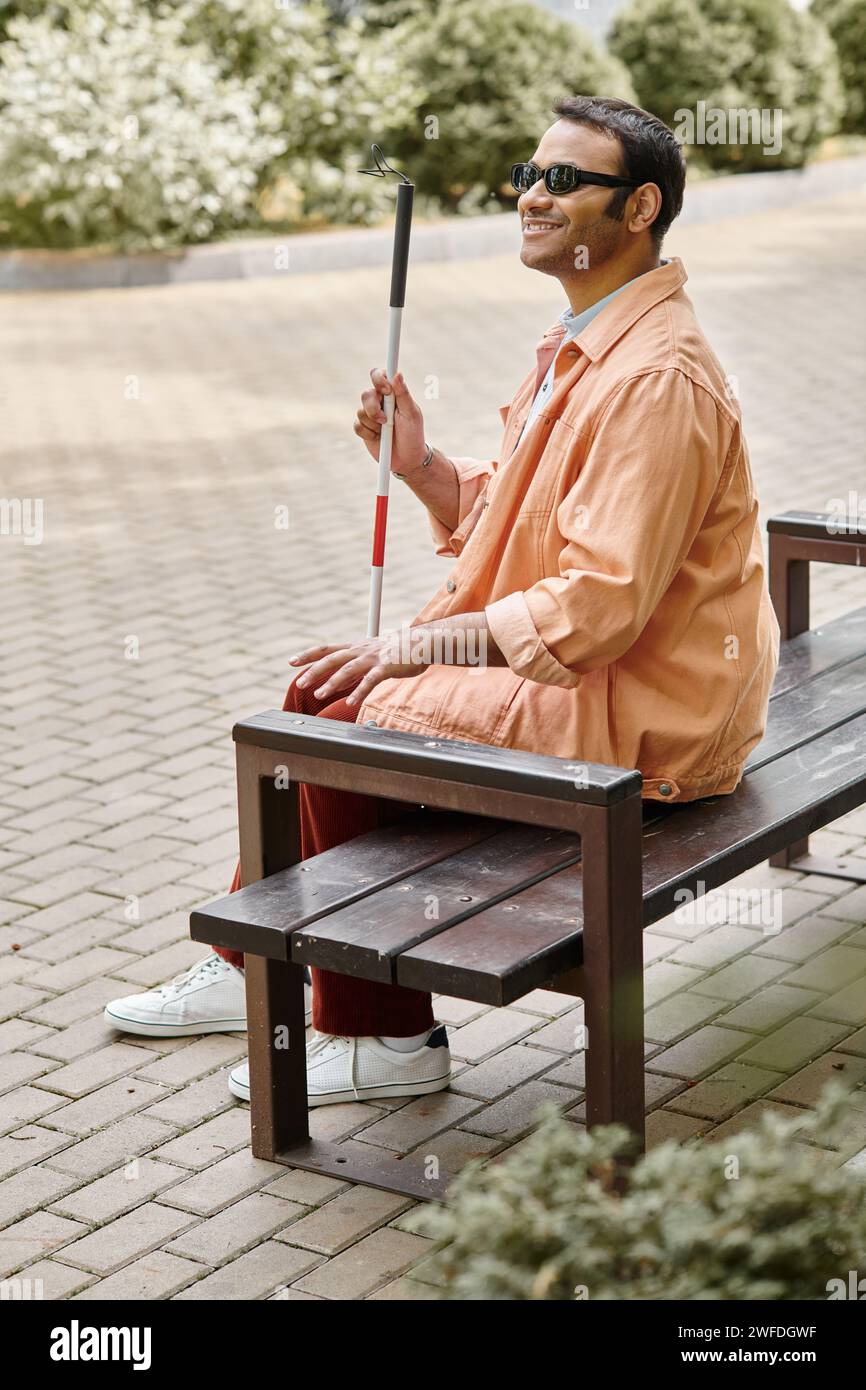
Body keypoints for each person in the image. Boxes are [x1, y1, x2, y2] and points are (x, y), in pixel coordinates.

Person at [105, 96, 780, 1106]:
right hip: (609, 680)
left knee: (341, 713)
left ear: (639, 208)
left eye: (564, 180)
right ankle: (255, 966)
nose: (532, 195)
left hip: (652, 715)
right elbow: (528, 521)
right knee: (324, 695)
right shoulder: (590, 339)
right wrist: (419, 466)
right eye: (528, 174)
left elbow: (599, 605)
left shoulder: (654, 378)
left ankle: (387, 1039)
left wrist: (415, 651)